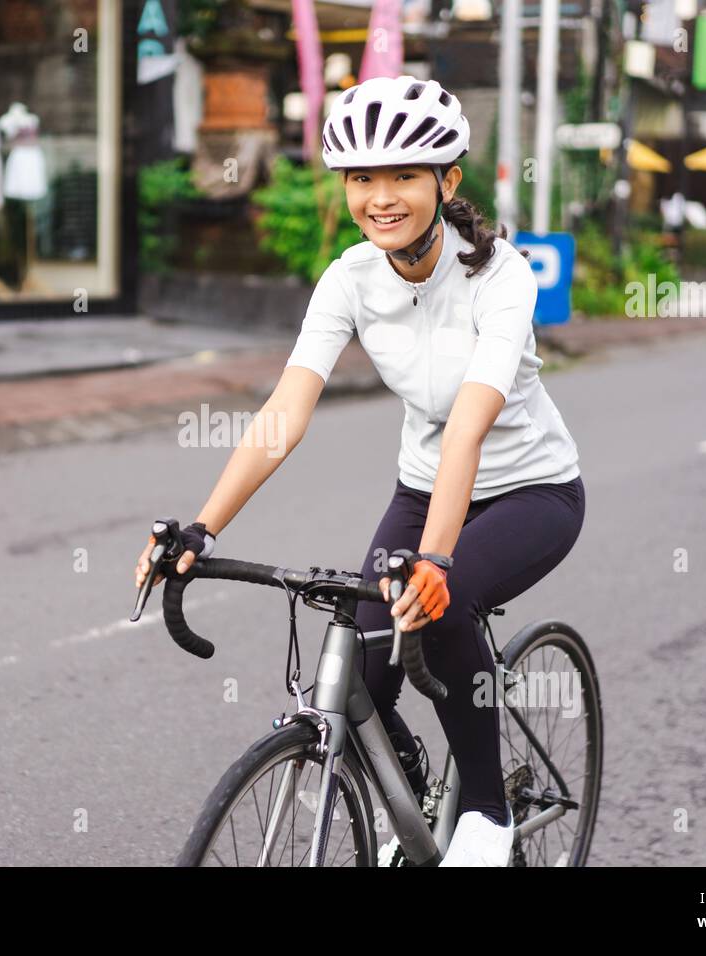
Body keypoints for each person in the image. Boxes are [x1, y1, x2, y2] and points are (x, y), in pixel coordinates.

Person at [134, 75, 585, 867]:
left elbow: (470, 426)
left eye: (405, 176)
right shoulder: (350, 280)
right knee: (366, 681)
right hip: (422, 489)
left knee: (437, 612)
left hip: (531, 490)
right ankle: (410, 792)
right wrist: (203, 527)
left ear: (447, 181)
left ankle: (484, 813)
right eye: (363, 179)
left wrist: (439, 561)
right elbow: (284, 413)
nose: (382, 197)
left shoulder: (503, 276)